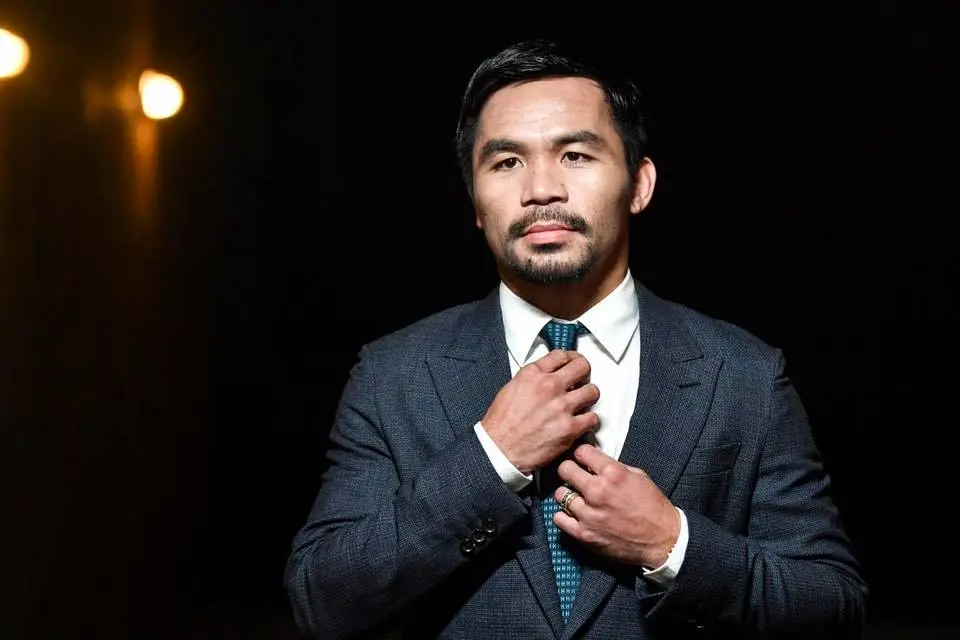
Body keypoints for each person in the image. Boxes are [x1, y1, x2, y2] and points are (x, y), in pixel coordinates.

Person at [283, 39, 867, 639]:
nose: (541, 189)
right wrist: (491, 459)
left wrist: (670, 543)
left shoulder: (744, 374)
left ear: (639, 185)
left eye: (576, 156)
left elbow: (832, 602)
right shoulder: (393, 374)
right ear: (475, 200)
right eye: (506, 162)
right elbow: (322, 602)